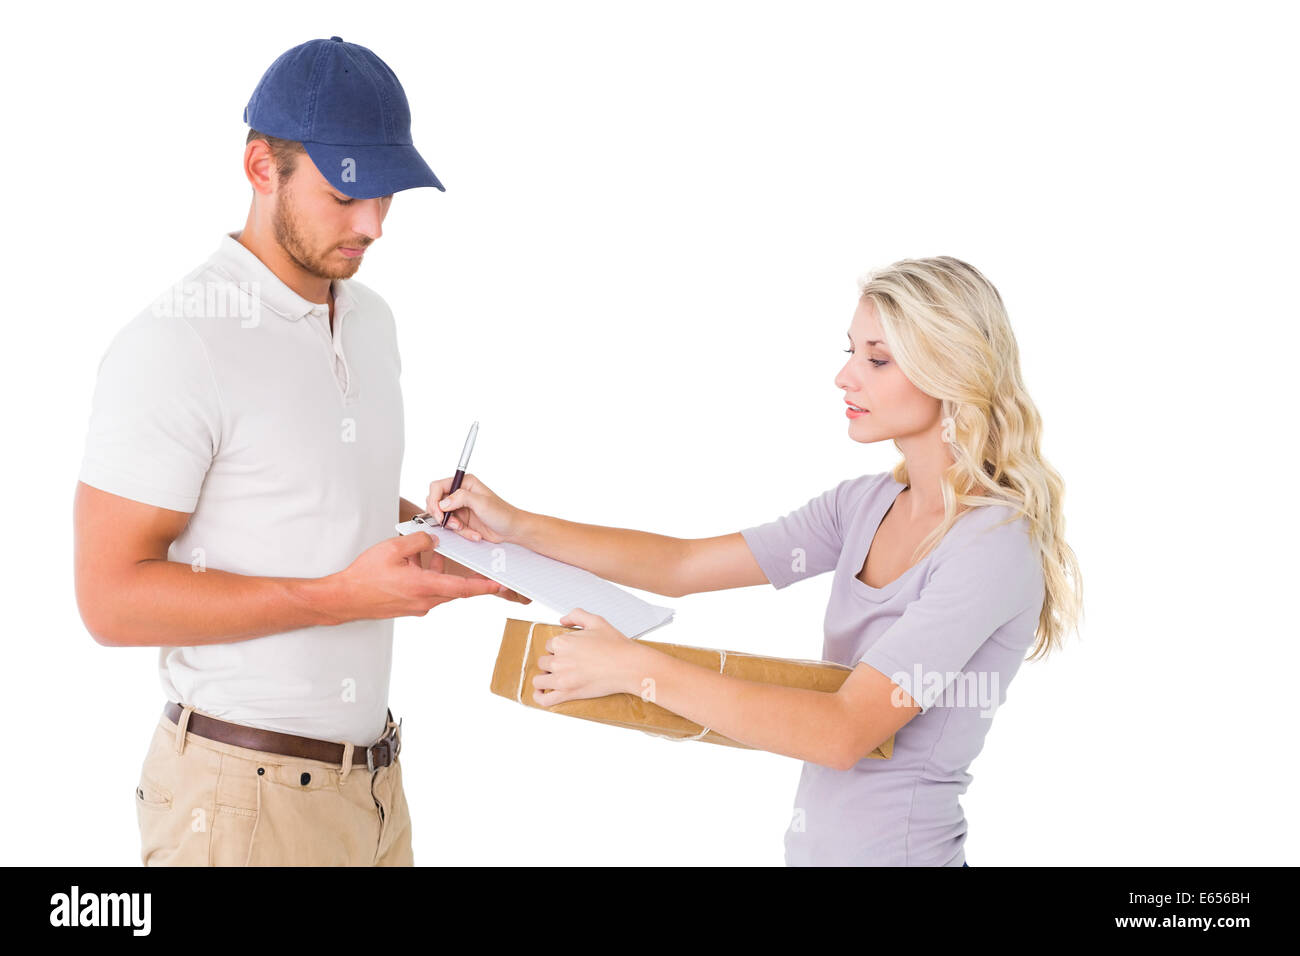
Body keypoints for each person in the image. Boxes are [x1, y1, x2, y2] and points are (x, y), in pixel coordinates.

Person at [428, 256, 1083, 866]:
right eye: (851, 352)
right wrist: (514, 526)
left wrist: (631, 667)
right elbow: (680, 565)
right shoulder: (865, 505)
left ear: (952, 371)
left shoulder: (990, 543)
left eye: (878, 360)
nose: (845, 376)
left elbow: (842, 731)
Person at [73, 36, 528, 867]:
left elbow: (299, 494)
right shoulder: (177, 343)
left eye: (386, 194)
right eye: (344, 194)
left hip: (374, 789)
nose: (373, 224)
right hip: (237, 804)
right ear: (261, 167)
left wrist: (434, 532)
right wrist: (336, 596)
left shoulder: (370, 318)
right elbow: (108, 598)